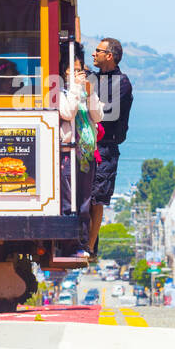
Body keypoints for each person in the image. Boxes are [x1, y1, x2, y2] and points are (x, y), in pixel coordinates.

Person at [89, 37, 133, 253]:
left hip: (106, 147)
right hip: (89, 145)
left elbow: (106, 114)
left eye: (97, 50)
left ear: (110, 56)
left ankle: (90, 246)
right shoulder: (93, 79)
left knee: (98, 197)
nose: (93, 54)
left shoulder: (122, 83)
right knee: (87, 195)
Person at [58, 44, 103, 256]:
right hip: (69, 153)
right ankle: (68, 244)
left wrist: (91, 94)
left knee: (84, 201)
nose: (79, 74)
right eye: (75, 70)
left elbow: (98, 116)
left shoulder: (82, 91)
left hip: (85, 154)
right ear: (65, 71)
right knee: (69, 201)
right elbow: (67, 112)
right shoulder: (59, 91)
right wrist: (76, 88)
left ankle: (82, 244)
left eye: (81, 70)